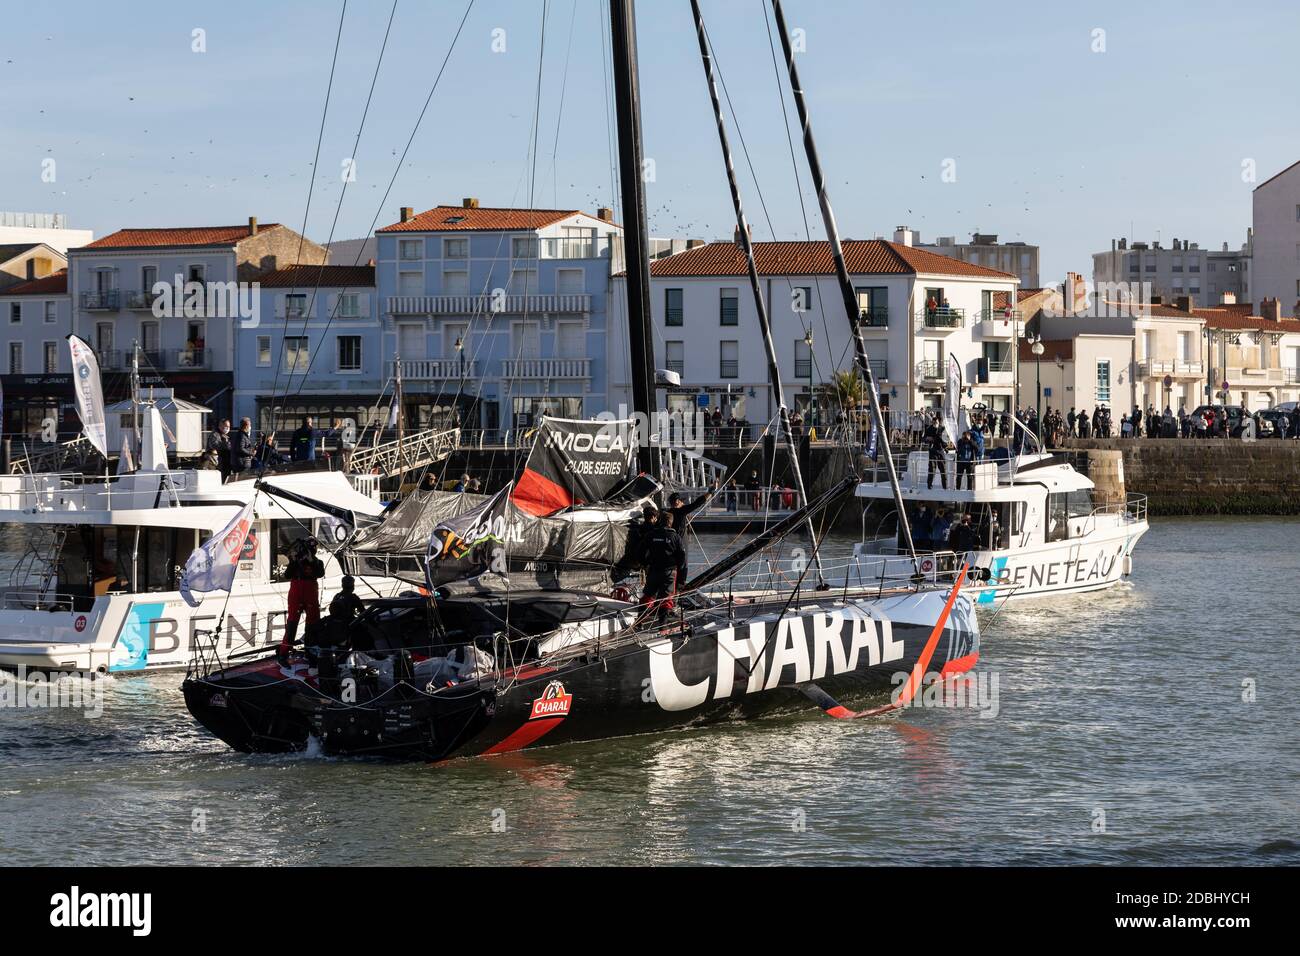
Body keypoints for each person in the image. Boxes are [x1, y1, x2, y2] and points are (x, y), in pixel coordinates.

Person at [278, 537, 325, 663]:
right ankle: (284, 653)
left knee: (312, 624)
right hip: (297, 592)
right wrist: (293, 562)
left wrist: (312, 561)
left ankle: (309, 652)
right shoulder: (297, 562)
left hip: (310, 592)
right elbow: (287, 575)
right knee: (292, 623)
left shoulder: (317, 562)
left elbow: (320, 573)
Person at [638, 510, 687, 626]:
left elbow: (640, 551)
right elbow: (682, 558)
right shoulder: (675, 537)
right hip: (669, 572)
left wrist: (645, 563)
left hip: (653, 570)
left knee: (648, 595)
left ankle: (639, 622)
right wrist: (681, 577)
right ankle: (662, 626)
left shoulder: (651, 535)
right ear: (670, 523)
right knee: (666, 599)